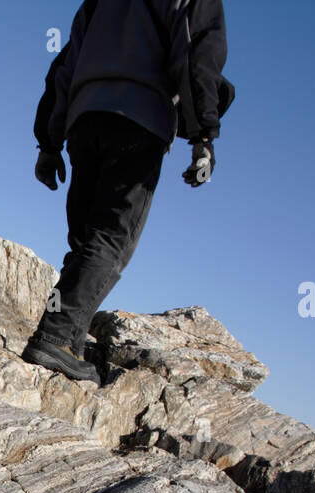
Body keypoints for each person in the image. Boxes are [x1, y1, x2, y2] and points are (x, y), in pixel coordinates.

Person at [23, 0, 234, 385]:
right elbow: (195, 57)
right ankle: (54, 336)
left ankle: (70, 343)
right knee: (111, 239)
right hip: (140, 119)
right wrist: (203, 134)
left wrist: (49, 144)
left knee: (86, 238)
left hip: (85, 118)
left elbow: (65, 67)